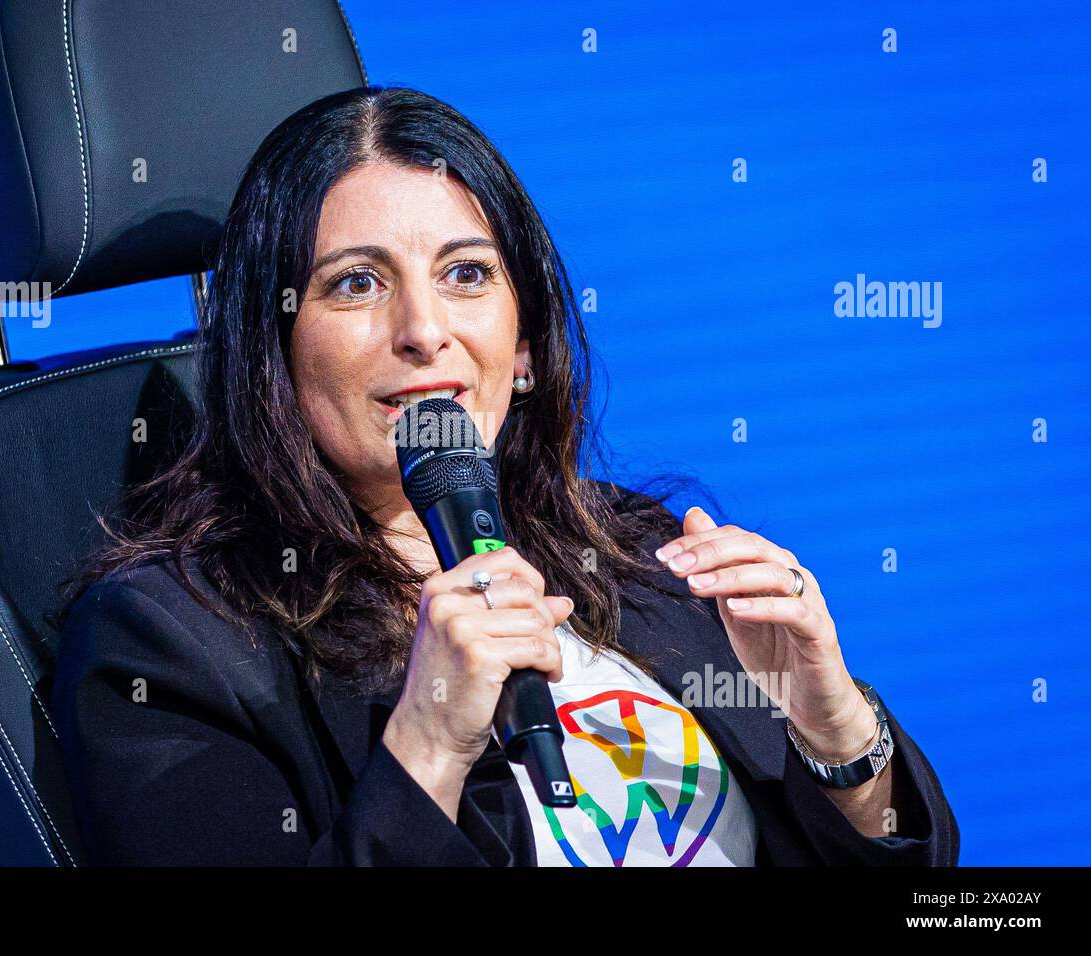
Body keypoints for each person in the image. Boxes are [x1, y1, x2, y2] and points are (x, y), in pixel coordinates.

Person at [50, 86, 959, 866]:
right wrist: (430, 741)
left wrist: (832, 725)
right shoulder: (169, 641)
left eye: (466, 274)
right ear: (270, 353)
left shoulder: (636, 549)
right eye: (356, 284)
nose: (423, 329)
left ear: (522, 346)